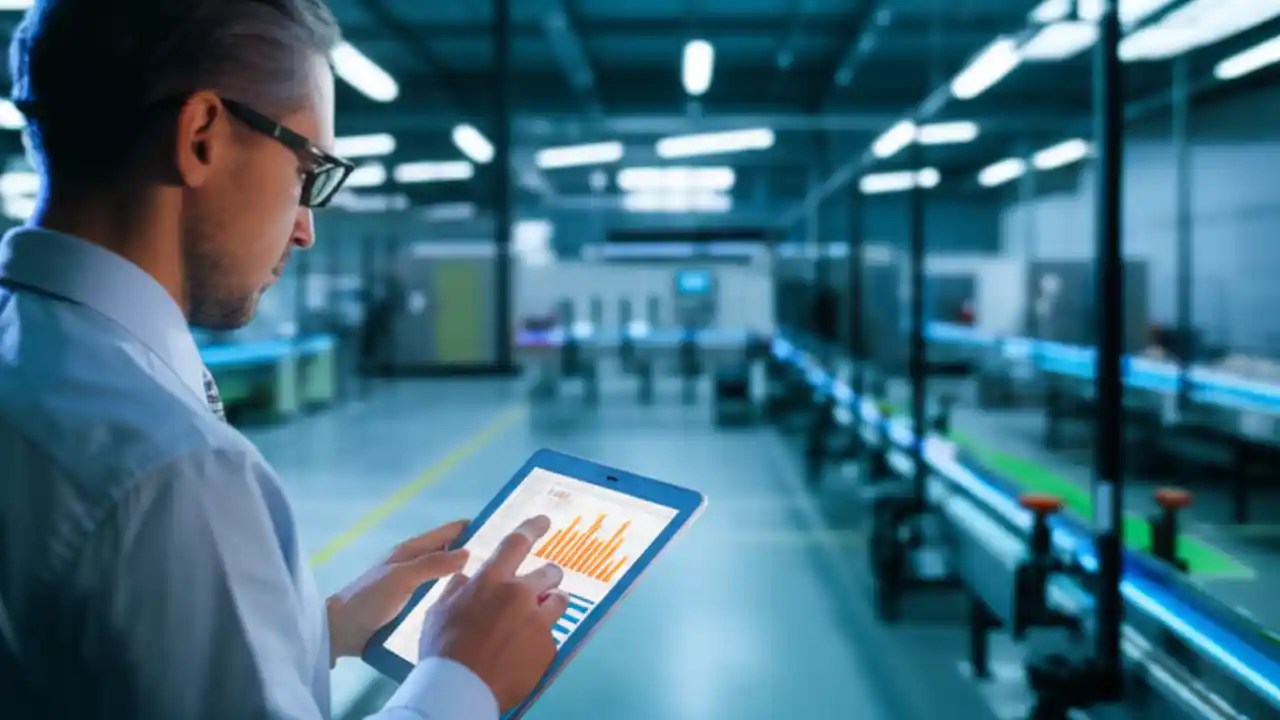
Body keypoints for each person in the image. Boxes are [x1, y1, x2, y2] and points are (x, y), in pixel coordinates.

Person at [0, 1, 568, 718]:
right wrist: (463, 680)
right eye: (307, 173)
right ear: (202, 137)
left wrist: (318, 628)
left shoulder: (32, 357)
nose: (305, 230)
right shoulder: (171, 469)